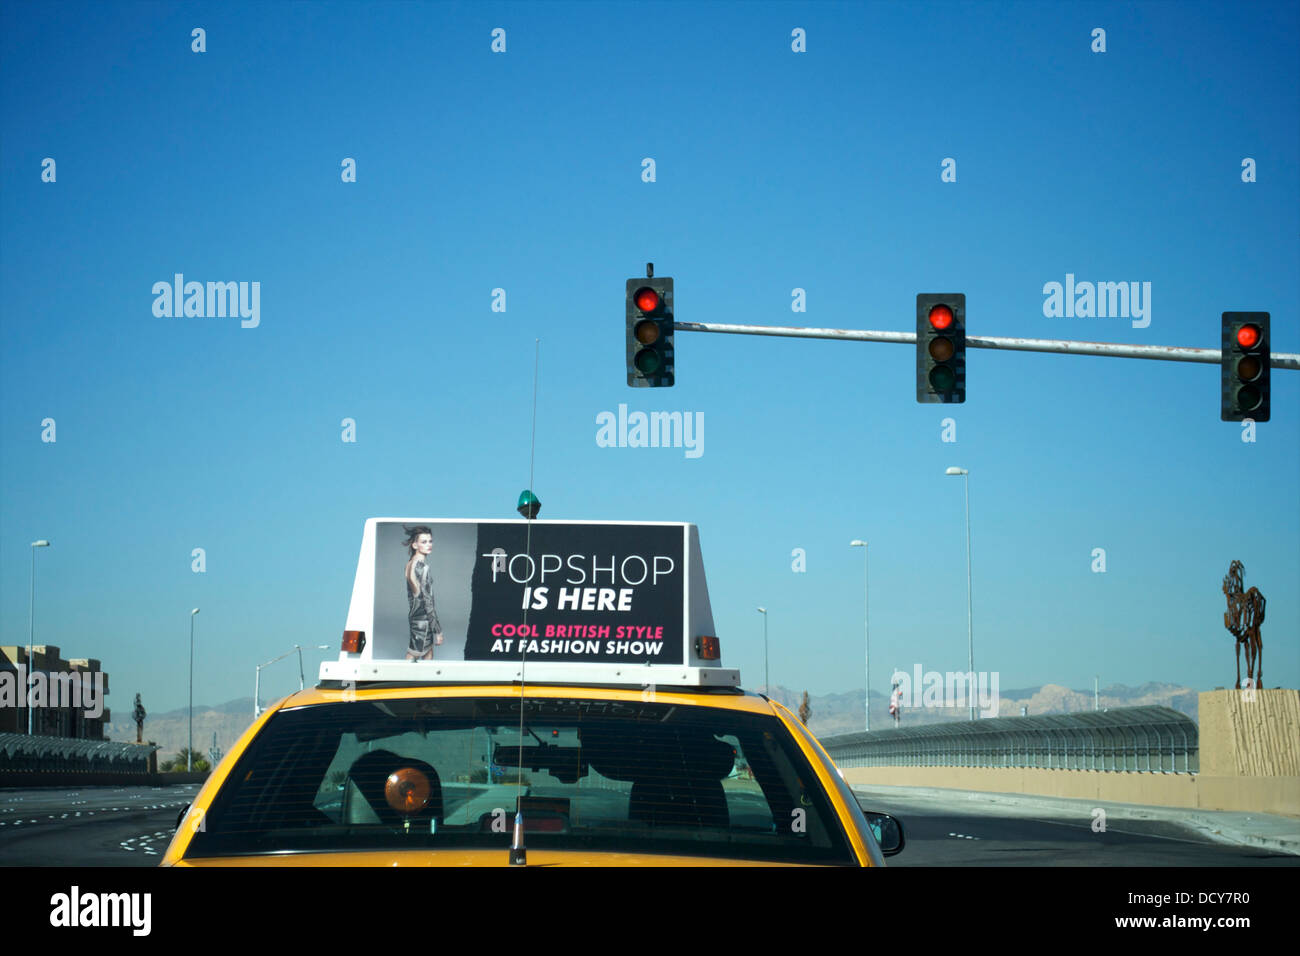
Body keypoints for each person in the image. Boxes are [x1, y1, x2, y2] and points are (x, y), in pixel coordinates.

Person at [402, 525, 443, 660]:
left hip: (415, 617)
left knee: (425, 652)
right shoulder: (422, 567)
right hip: (423, 619)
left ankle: (414, 680)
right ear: (415, 545)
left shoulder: (409, 564)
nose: (429, 545)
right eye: (424, 542)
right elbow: (427, 601)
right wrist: (437, 629)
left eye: (430, 541)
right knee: (414, 654)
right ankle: (401, 679)